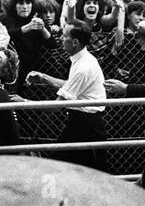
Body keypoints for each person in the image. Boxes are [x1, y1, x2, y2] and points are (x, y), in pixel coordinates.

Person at [27, 22, 107, 171]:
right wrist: (43, 77)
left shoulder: (83, 67)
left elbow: (58, 105)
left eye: (64, 36)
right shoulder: (82, 59)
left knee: (59, 166)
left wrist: (24, 103)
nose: (61, 39)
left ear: (75, 42)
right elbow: (70, 85)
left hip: (86, 125)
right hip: (82, 122)